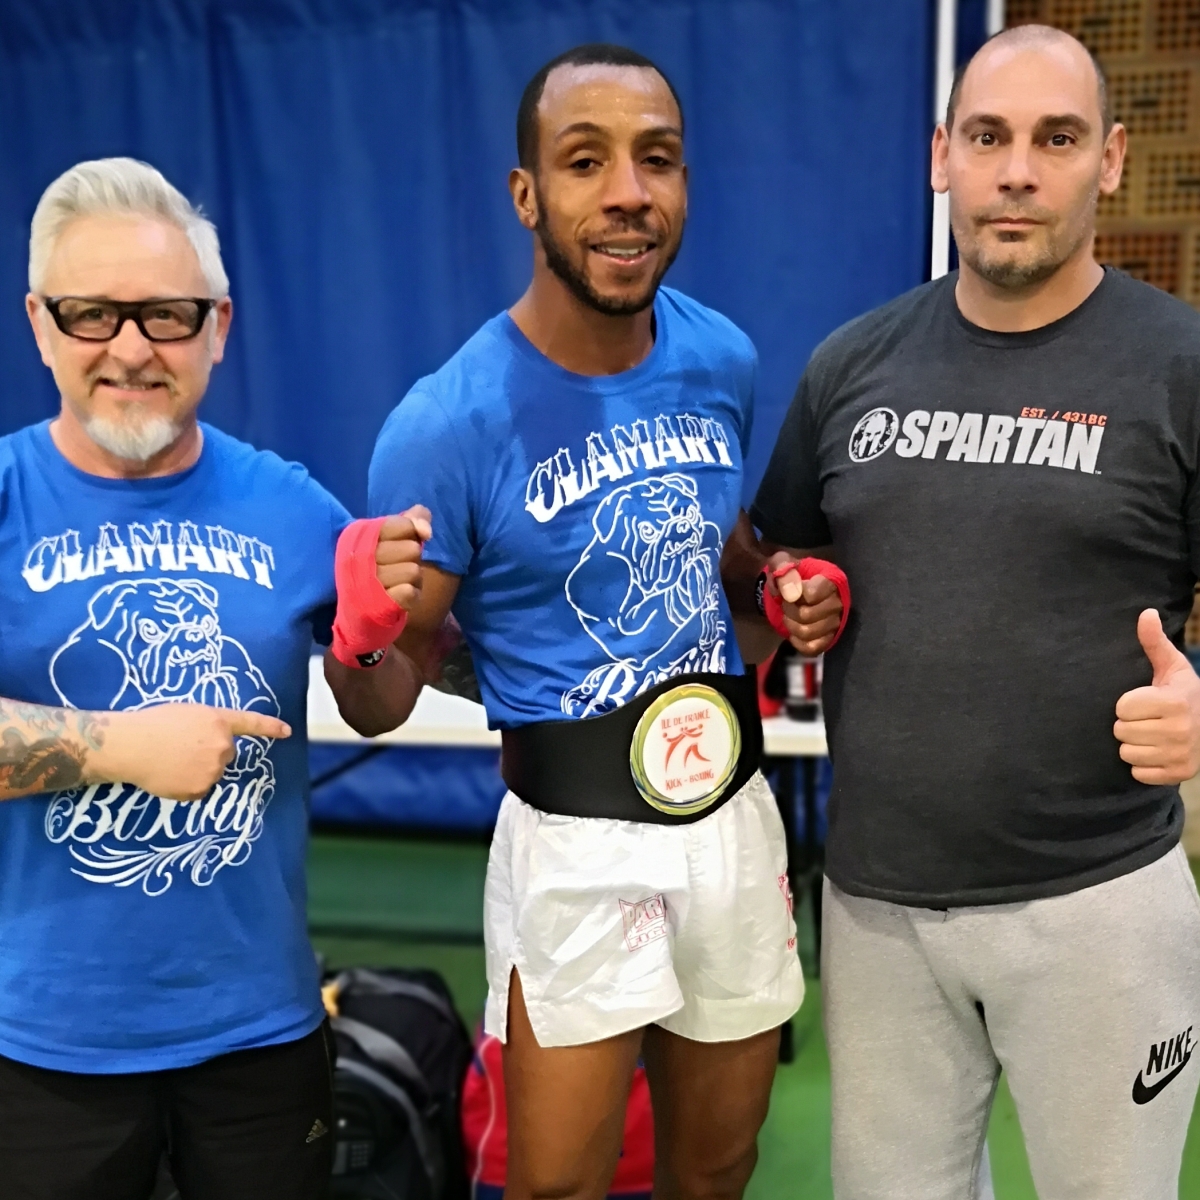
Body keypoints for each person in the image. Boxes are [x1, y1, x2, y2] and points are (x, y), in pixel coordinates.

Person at [326, 43, 842, 1200]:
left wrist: (780, 594)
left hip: (730, 813)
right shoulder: (447, 422)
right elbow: (382, 694)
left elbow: (727, 574)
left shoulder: (721, 358)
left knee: (718, 1168)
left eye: (656, 160)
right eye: (585, 161)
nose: (627, 192)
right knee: (558, 1183)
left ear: (685, 184)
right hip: (576, 841)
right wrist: (362, 630)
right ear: (528, 196)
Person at [731, 25, 1200, 1200]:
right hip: (880, 908)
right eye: (988, 137)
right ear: (942, 155)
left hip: (1099, 908)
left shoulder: (1178, 365)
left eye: (1057, 138)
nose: (1018, 171)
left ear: (1112, 160)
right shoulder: (851, 366)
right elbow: (789, 551)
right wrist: (807, 597)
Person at [0, 157, 425, 1200]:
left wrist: (377, 635)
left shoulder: (289, 505)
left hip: (257, 1030)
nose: (132, 348)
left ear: (219, 327)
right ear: (42, 324)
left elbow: (379, 705)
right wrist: (120, 747)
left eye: (169, 316)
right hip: (43, 1038)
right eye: (93, 314)